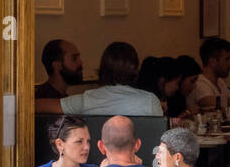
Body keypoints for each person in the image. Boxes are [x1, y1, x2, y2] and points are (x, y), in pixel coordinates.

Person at [35, 42, 165, 117]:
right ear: (135, 69)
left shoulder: (89, 99)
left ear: (103, 68)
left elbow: (37, 105)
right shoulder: (150, 101)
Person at [188, 37, 230, 115]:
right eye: (227, 59)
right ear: (213, 61)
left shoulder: (220, 82)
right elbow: (219, 110)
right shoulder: (199, 83)